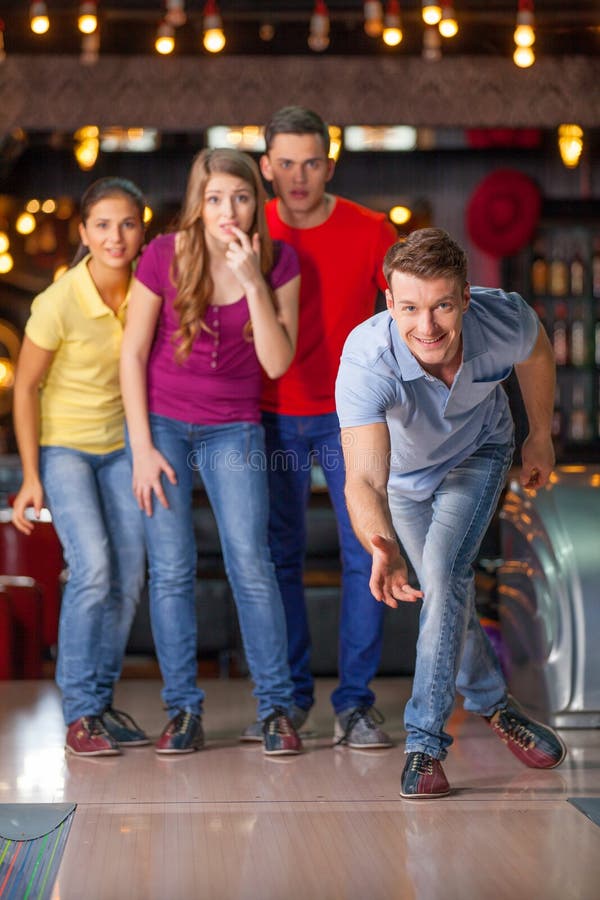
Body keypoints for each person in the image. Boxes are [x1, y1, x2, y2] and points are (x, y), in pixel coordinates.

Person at [335, 227, 567, 798]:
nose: (428, 326)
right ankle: (496, 705)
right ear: (389, 302)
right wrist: (379, 542)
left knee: (441, 574)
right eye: (410, 307)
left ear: (466, 297)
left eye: (442, 305)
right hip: (404, 484)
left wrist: (539, 435)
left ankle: (424, 745)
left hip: (479, 452)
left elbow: (536, 349)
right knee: (446, 592)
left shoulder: (500, 318)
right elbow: (363, 477)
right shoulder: (367, 360)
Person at [120, 147, 303, 756]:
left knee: (251, 565)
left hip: (235, 428)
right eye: (216, 197)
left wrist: (253, 280)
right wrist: (142, 448)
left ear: (258, 202)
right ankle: (183, 712)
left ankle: (276, 709)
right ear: (199, 200)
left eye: (242, 197)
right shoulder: (161, 255)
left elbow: (277, 361)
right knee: (170, 571)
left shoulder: (279, 262)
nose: (229, 210)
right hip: (163, 426)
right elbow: (132, 354)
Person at [239, 106, 398, 748]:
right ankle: (291, 699)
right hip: (268, 415)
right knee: (278, 558)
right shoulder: (250, 229)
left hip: (351, 419)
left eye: (312, 163)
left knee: (369, 552)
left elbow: (400, 323)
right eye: (285, 163)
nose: (298, 177)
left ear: (330, 165)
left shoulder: (371, 229)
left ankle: (355, 704)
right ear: (265, 166)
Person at [12, 177, 149, 757]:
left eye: (126, 224)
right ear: (84, 232)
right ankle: (78, 714)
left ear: (143, 229)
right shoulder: (59, 300)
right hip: (67, 447)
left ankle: (98, 700)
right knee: (93, 566)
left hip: (123, 446)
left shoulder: (150, 288)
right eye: (102, 225)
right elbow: (24, 389)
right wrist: (31, 474)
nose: (115, 236)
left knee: (130, 572)